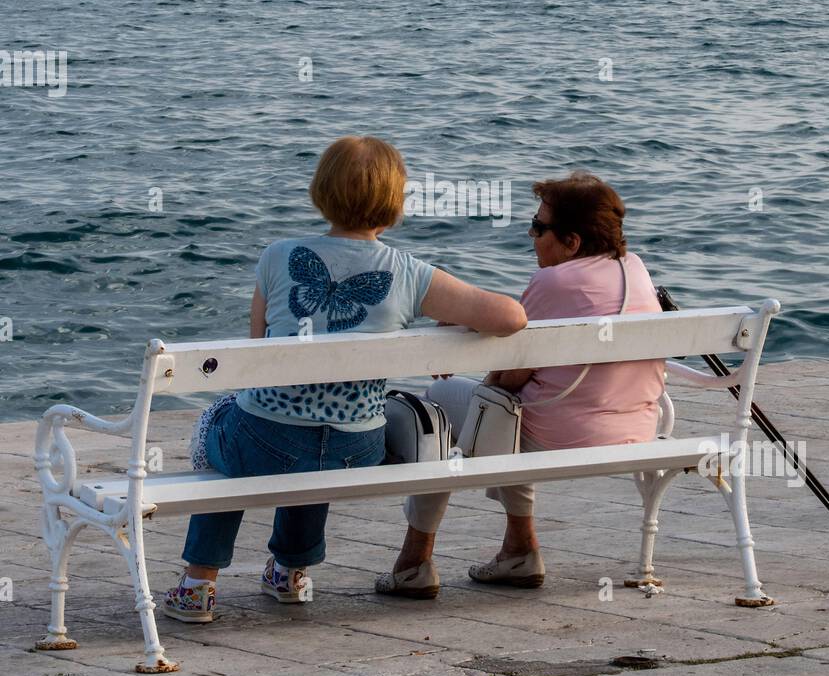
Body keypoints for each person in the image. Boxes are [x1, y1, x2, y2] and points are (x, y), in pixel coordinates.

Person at [161, 136, 526, 623]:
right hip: (356, 451)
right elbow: (510, 316)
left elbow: (253, 358)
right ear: (395, 202)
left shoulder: (278, 255)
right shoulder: (408, 273)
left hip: (268, 443)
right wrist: (452, 321)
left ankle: (198, 585)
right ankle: (290, 573)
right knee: (318, 444)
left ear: (321, 191)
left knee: (228, 433)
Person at [378, 172, 665, 597]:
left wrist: (467, 355)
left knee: (441, 406)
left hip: (559, 437)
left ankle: (415, 560)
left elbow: (510, 378)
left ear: (572, 242)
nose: (531, 235)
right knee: (509, 411)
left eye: (539, 227)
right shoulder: (634, 268)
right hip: (636, 430)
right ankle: (519, 550)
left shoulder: (552, 281)